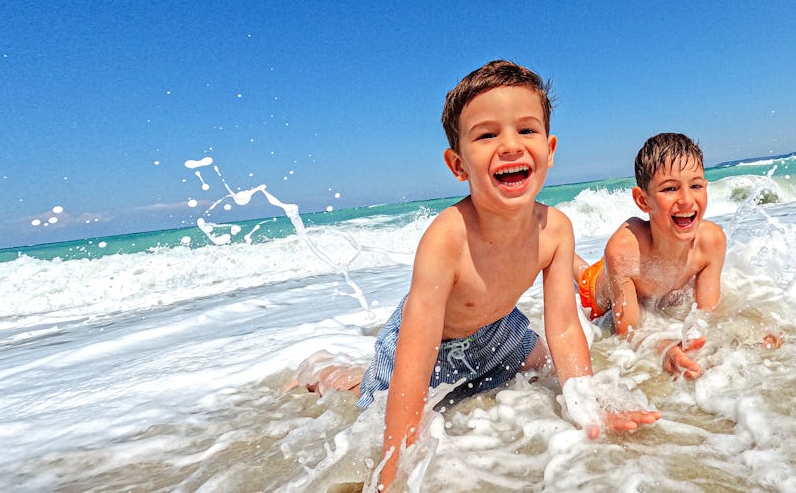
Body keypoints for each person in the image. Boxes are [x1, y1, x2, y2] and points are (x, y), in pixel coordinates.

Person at [295, 60, 659, 490]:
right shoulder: (447, 238)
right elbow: (414, 358)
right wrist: (395, 469)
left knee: (546, 370)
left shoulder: (555, 230)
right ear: (458, 164)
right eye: (487, 135)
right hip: (423, 342)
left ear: (550, 148)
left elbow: (562, 326)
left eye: (526, 130)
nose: (510, 146)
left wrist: (588, 401)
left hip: (497, 327)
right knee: (370, 406)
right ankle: (322, 370)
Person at [575, 133, 751, 380]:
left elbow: (708, 315)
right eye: (670, 188)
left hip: (635, 280)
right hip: (599, 287)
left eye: (696, 186)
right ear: (642, 200)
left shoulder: (711, 242)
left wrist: (740, 341)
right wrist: (663, 348)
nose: (687, 200)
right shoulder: (624, 252)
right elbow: (627, 333)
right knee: (581, 273)